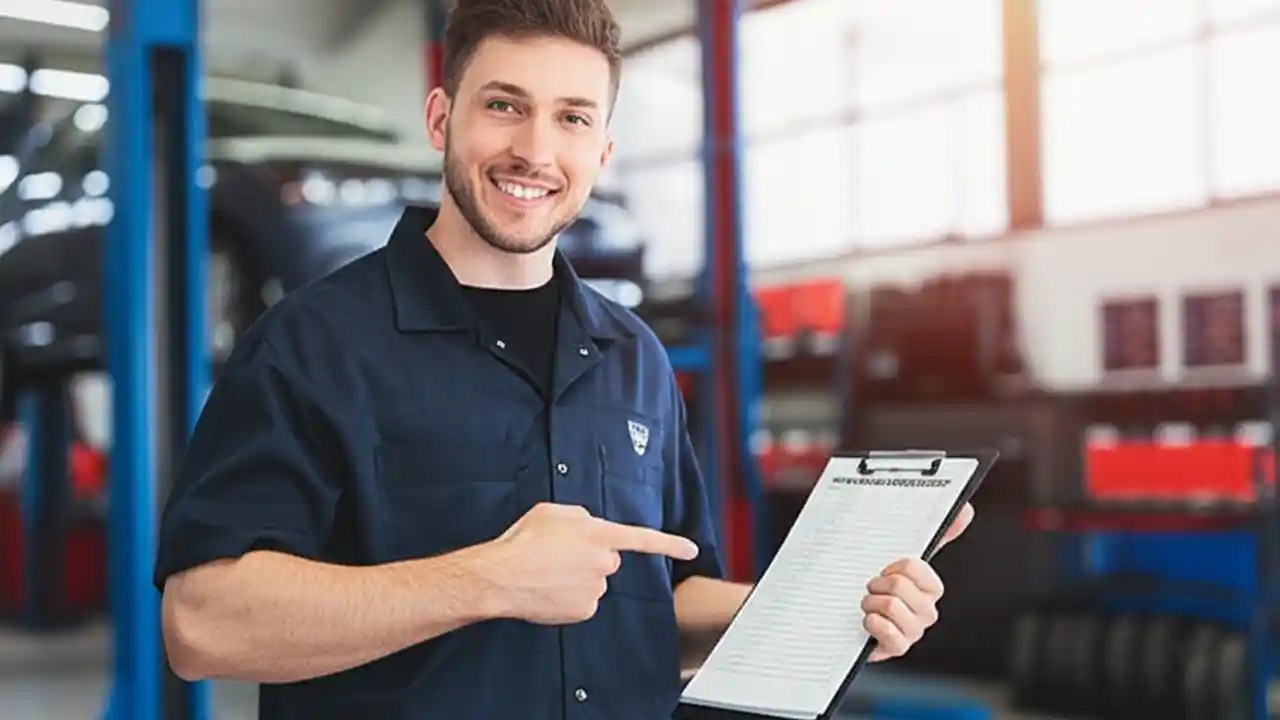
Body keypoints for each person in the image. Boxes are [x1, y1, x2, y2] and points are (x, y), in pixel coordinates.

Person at [153, 0, 976, 717]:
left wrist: (833, 613)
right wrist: (487, 581)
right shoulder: (314, 346)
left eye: (573, 117)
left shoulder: (635, 359)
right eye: (505, 106)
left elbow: (667, 601)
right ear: (442, 119)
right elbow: (203, 623)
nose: (536, 151)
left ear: (603, 153)